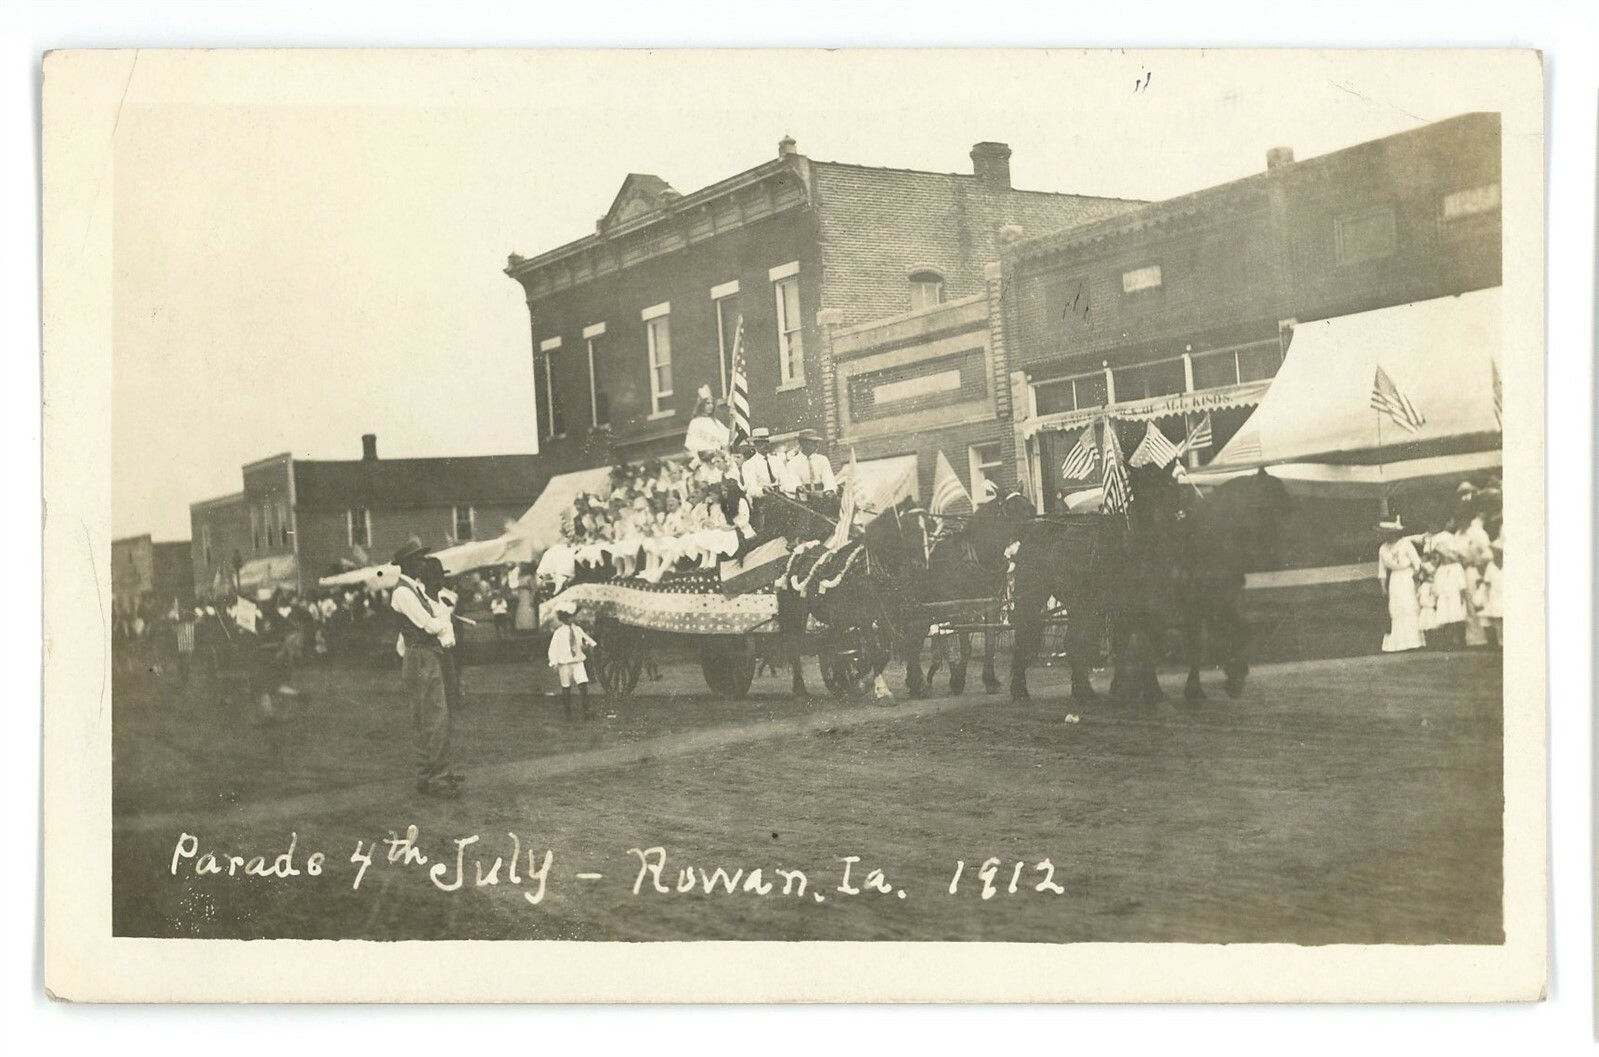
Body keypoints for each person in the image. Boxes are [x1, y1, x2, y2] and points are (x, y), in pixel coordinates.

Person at [390, 541, 462, 799]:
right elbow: (430, 626)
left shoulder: (414, 590)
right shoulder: (403, 593)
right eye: (420, 559)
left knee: (424, 718)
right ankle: (438, 778)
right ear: (409, 564)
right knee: (434, 717)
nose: (424, 563)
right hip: (421, 654)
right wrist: (445, 614)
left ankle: (427, 775)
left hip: (422, 654)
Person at [1377, 517, 1425, 653]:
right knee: (1397, 608)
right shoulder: (1382, 549)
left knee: (1409, 605)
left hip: (1407, 577)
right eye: (1383, 532)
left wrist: (1416, 579)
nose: (1385, 535)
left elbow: (1417, 563)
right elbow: (1382, 571)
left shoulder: (1405, 544)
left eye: (1388, 532)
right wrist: (1383, 588)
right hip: (1394, 580)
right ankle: (1400, 642)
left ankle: (1414, 641)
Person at [548, 600, 597, 721]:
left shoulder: (577, 630)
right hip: (564, 663)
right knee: (566, 687)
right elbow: (552, 648)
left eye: (573, 617)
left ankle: (586, 711)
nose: (573, 619)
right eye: (571, 617)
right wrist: (553, 662)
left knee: (583, 684)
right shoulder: (558, 633)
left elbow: (587, 640)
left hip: (577, 661)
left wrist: (588, 645)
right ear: (565, 618)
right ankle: (568, 713)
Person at [785, 428, 837, 495]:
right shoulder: (793, 463)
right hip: (803, 498)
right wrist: (798, 488)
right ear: (802, 443)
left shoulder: (822, 460)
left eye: (817, 442)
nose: (816, 445)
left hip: (822, 496)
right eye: (812, 442)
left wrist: (829, 490)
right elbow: (794, 482)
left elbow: (829, 478)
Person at [740, 427, 785, 499]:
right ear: (755, 445)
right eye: (761, 443)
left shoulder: (776, 460)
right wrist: (762, 490)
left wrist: (795, 487)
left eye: (767, 442)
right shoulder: (749, 464)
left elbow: (784, 480)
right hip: (762, 501)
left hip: (779, 497)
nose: (766, 445)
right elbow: (750, 489)